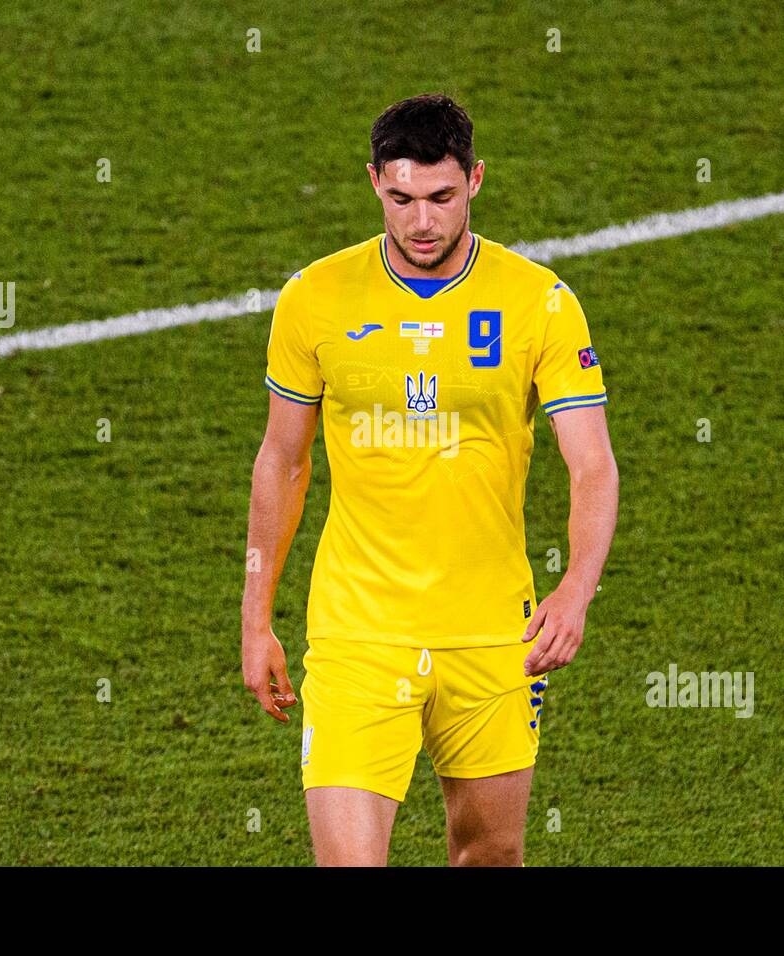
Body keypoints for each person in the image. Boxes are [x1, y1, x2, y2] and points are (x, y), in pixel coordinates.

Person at [241, 93, 618, 866]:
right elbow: (282, 458)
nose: (422, 222)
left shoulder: (538, 302)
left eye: (442, 198)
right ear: (374, 181)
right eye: (402, 198)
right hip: (357, 634)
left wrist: (576, 588)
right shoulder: (314, 298)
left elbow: (592, 463)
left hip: (490, 634)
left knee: (487, 856)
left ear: (475, 180)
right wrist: (256, 616)